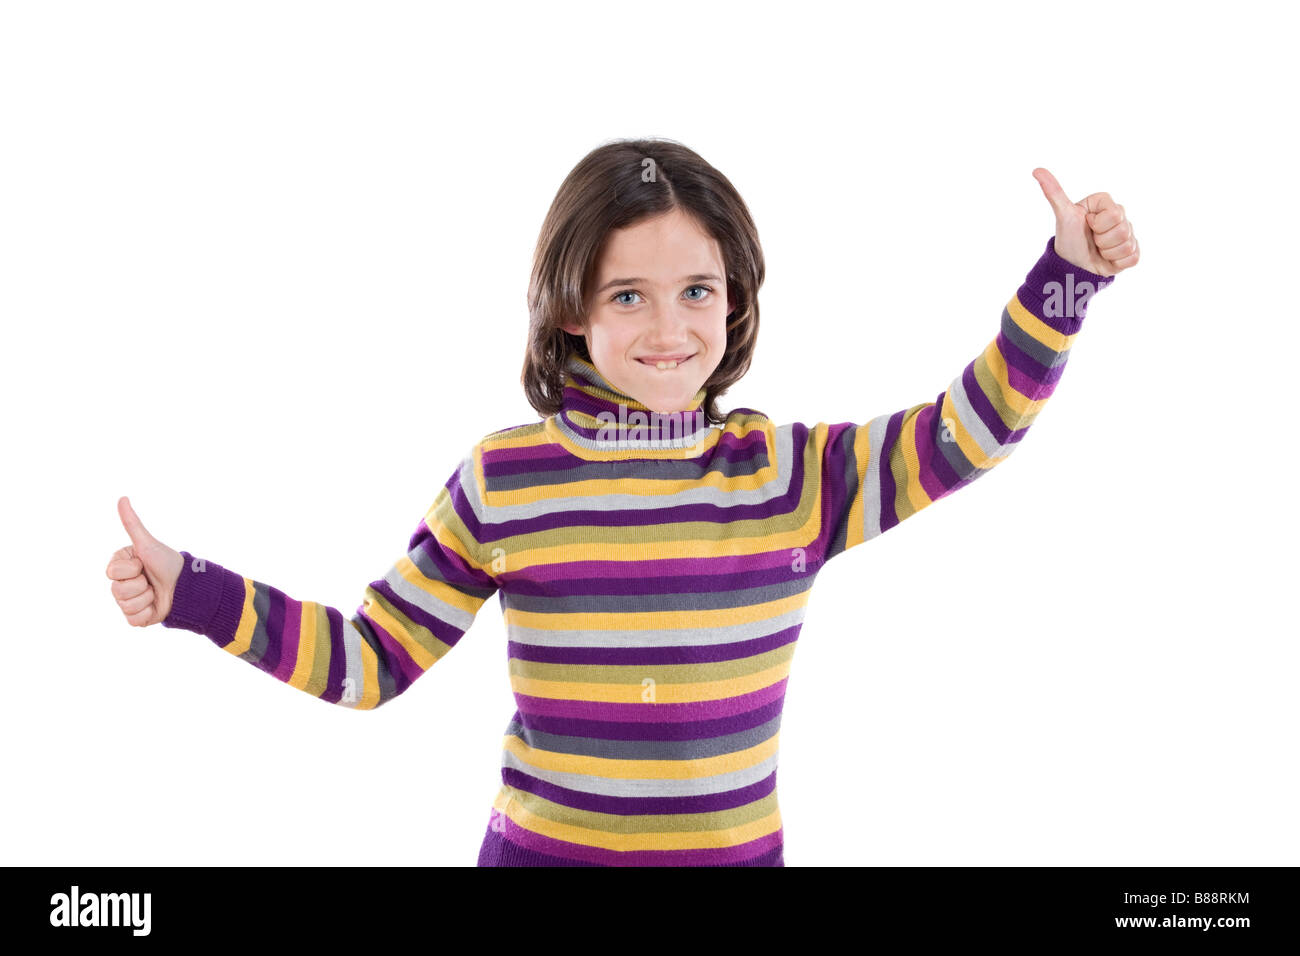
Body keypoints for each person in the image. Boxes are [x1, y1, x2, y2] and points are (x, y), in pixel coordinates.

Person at [105, 138, 1139, 866]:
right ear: (568, 313)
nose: (667, 326)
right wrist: (192, 591)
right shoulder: (505, 479)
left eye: (696, 289)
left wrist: (1064, 281)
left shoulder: (792, 474)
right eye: (626, 294)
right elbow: (371, 660)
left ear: (734, 301)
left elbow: (972, 427)